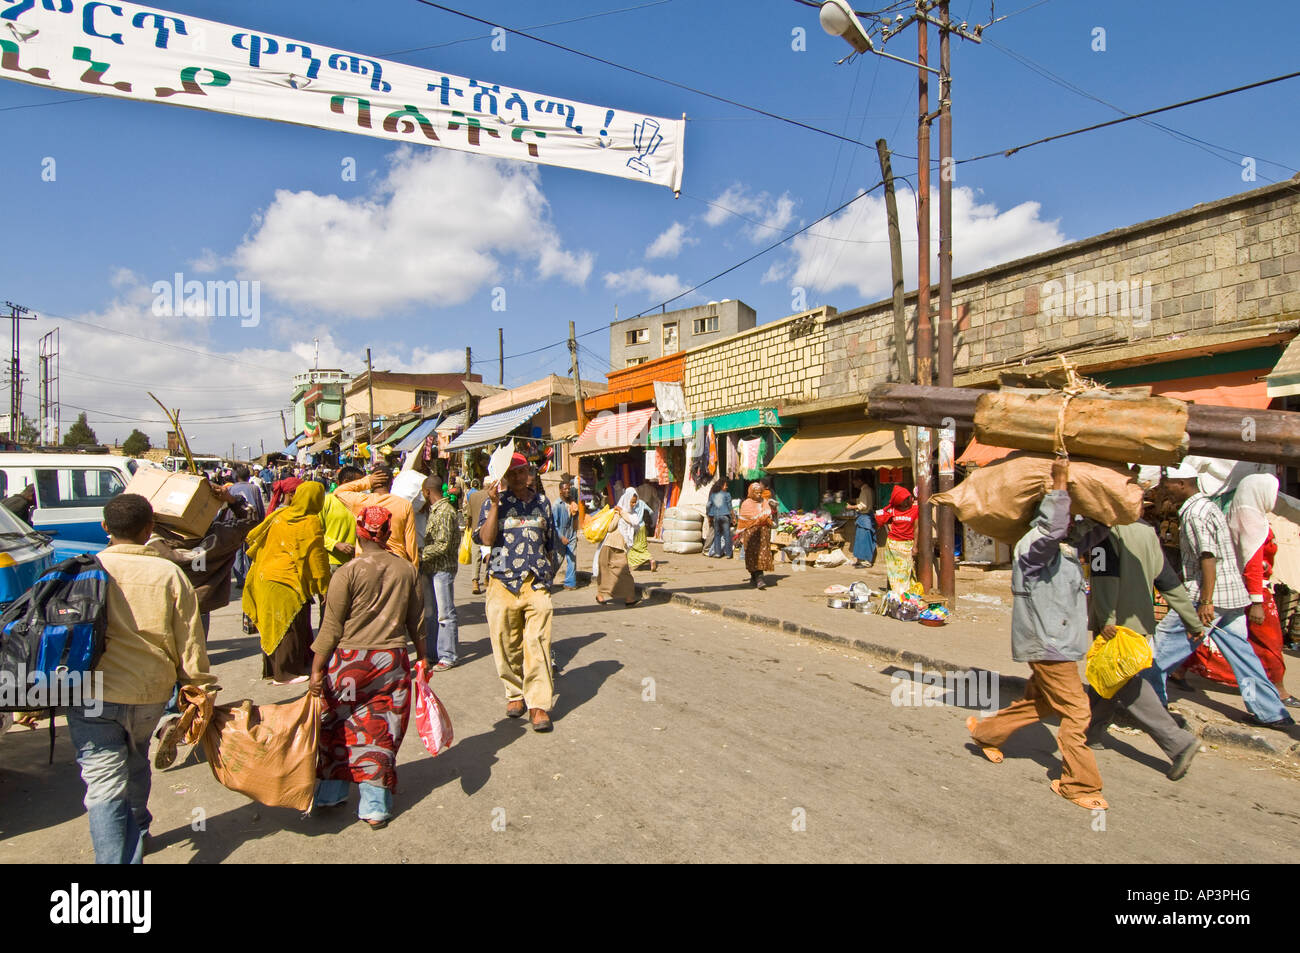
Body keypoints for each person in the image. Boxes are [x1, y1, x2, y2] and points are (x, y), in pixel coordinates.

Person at [72, 493, 216, 863]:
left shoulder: (85, 569)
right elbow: (190, 640)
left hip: (90, 694)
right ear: (150, 529)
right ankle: (137, 829)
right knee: (135, 761)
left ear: (105, 528)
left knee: (104, 783)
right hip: (149, 692)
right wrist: (199, 689)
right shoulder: (168, 574)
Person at [966, 458, 1111, 811]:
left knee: (1043, 703)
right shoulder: (1033, 546)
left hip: (1057, 643)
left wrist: (1113, 506)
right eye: (1064, 513)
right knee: (1077, 713)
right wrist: (1060, 484)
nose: (1070, 521)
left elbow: (1092, 533)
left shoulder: (1063, 547)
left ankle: (985, 733)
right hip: (1048, 645)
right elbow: (1052, 528)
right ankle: (1078, 784)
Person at [1142, 465, 1294, 729]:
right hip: (1232, 594)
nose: (1164, 488)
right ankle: (1272, 713)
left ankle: (1148, 706)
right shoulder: (1207, 507)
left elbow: (1207, 558)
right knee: (1243, 656)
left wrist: (1205, 601)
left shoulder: (1195, 514)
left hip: (1209, 595)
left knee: (1161, 649)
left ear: (1182, 485)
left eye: (1168, 483)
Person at [311, 507, 426, 829]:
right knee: (380, 732)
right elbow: (416, 621)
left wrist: (317, 670)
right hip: (390, 663)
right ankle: (374, 808)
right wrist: (423, 656)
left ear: (359, 534)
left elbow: (330, 629)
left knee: (337, 729)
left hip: (349, 664)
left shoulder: (346, 573)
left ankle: (329, 794)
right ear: (389, 533)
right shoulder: (406, 570)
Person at [1085, 520, 1205, 780]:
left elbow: (1105, 578)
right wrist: (1191, 620)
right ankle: (1090, 733)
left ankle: (1178, 743)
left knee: (1125, 682)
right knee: (1105, 678)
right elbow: (1168, 581)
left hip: (1116, 625)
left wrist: (1106, 618)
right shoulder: (1147, 533)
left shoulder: (1105, 532)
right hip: (1139, 624)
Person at [1185, 473, 1299, 708]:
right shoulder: (1250, 519)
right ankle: (1278, 690)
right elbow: (1252, 563)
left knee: (1228, 642)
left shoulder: (1243, 512)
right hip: (1254, 592)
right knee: (1268, 643)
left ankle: (1177, 670)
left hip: (1240, 590)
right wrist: (1257, 600)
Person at [477, 453, 557, 732]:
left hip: (535, 581)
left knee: (537, 641)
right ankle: (514, 693)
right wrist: (496, 505)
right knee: (506, 642)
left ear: (529, 473)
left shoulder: (543, 503)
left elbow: (551, 543)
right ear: (504, 478)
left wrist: (549, 576)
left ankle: (538, 704)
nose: (518, 477)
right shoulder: (492, 503)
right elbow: (486, 540)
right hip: (501, 581)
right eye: (511, 473)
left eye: (521, 471)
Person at [242, 481, 331, 685]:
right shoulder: (310, 522)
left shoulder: (280, 516)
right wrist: (324, 587)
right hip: (285, 580)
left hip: (264, 576)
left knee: (275, 623)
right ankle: (284, 673)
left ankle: (282, 668)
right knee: (287, 625)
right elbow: (317, 560)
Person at [334, 464, 418, 566]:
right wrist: (414, 569)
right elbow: (410, 542)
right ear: (391, 483)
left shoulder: (360, 502)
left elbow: (339, 491)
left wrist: (367, 481)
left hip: (366, 562)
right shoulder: (404, 504)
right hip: (396, 562)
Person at [419, 478, 460, 671]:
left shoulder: (444, 511)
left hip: (442, 569)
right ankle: (433, 653)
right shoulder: (435, 510)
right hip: (431, 568)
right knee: (432, 614)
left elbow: (443, 544)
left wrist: (420, 554)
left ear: (427, 492)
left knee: (445, 614)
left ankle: (448, 655)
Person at [596, 488, 641, 606]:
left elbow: (635, 522)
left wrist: (622, 513)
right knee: (604, 570)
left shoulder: (632, 514)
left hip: (621, 547)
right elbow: (610, 528)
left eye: (635, 502)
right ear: (626, 500)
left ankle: (629, 598)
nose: (633, 504)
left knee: (624, 572)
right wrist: (617, 515)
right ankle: (600, 595)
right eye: (632, 502)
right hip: (609, 545)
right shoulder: (616, 513)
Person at [876, 486, 919, 596]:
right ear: (901, 502)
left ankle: (905, 594)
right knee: (894, 572)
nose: (911, 499)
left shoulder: (915, 510)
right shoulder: (893, 510)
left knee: (906, 571)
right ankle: (898, 595)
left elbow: (917, 529)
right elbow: (879, 520)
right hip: (893, 545)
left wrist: (915, 546)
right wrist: (887, 508)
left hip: (908, 545)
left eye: (910, 497)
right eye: (907, 498)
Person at [736, 481, 777, 589]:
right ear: (751, 492)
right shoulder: (746, 504)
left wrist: (773, 509)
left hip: (763, 533)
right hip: (751, 534)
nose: (759, 495)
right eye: (757, 493)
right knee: (751, 556)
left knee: (762, 555)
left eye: (760, 493)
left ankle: (759, 578)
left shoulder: (765, 502)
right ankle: (754, 576)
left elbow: (769, 516)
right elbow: (743, 520)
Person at [321, 466, 362, 572]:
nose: (363, 488)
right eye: (359, 484)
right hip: (333, 562)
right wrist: (335, 544)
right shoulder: (327, 501)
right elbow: (315, 532)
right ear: (346, 482)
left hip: (358, 562)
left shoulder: (362, 502)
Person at [464, 480, 491, 595]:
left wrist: (469, 527)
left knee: (476, 557)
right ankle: (486, 579)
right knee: (489, 556)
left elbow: (468, 515)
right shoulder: (493, 496)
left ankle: (475, 582)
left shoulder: (473, 496)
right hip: (488, 531)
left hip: (475, 531)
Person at [552, 481, 579, 589]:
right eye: (565, 489)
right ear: (560, 491)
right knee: (557, 559)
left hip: (571, 533)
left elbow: (574, 519)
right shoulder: (556, 505)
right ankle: (547, 579)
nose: (567, 491)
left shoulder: (572, 503)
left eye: (568, 488)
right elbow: (554, 524)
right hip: (560, 535)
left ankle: (570, 583)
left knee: (572, 559)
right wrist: (561, 537)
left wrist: (575, 533)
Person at [626, 492, 657, 573]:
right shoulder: (642, 502)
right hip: (642, 526)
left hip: (635, 528)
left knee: (634, 547)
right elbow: (651, 511)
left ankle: (648, 558)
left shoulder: (629, 505)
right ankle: (646, 561)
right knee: (642, 545)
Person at [851, 473, 877, 569]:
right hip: (864, 518)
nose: (854, 485)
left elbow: (863, 505)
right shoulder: (867, 490)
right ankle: (861, 560)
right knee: (861, 540)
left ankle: (866, 561)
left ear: (860, 481)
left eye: (855, 483)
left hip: (865, 518)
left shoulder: (865, 491)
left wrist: (851, 506)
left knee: (865, 540)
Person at [706, 479, 734, 559]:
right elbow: (730, 507)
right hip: (725, 516)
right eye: (725, 485)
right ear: (721, 486)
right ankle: (729, 554)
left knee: (717, 535)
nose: (727, 487)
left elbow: (708, 505)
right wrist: (733, 518)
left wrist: (708, 514)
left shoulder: (713, 495)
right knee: (727, 535)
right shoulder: (727, 494)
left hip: (716, 516)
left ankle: (718, 553)